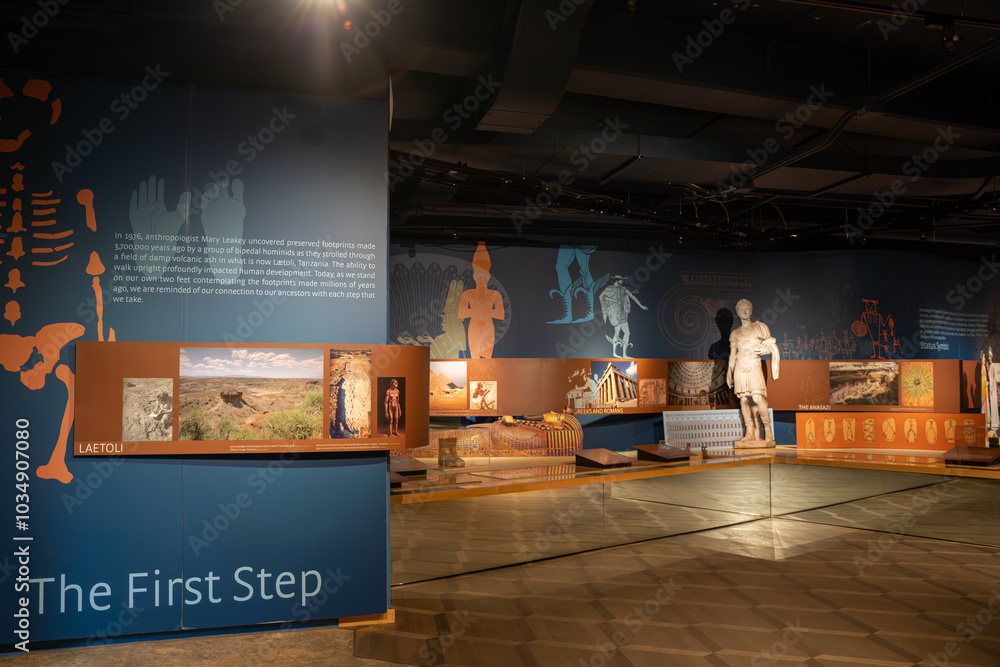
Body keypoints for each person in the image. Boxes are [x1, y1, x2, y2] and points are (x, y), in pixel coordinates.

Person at [726, 299, 780, 447]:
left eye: (747, 309)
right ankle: (749, 431)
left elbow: (771, 345)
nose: (745, 311)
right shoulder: (735, 333)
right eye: (742, 309)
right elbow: (732, 356)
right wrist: (729, 372)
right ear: (737, 312)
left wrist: (767, 351)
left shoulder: (759, 327)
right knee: (743, 400)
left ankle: (767, 430)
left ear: (751, 310)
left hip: (754, 364)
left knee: (757, 398)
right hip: (740, 367)